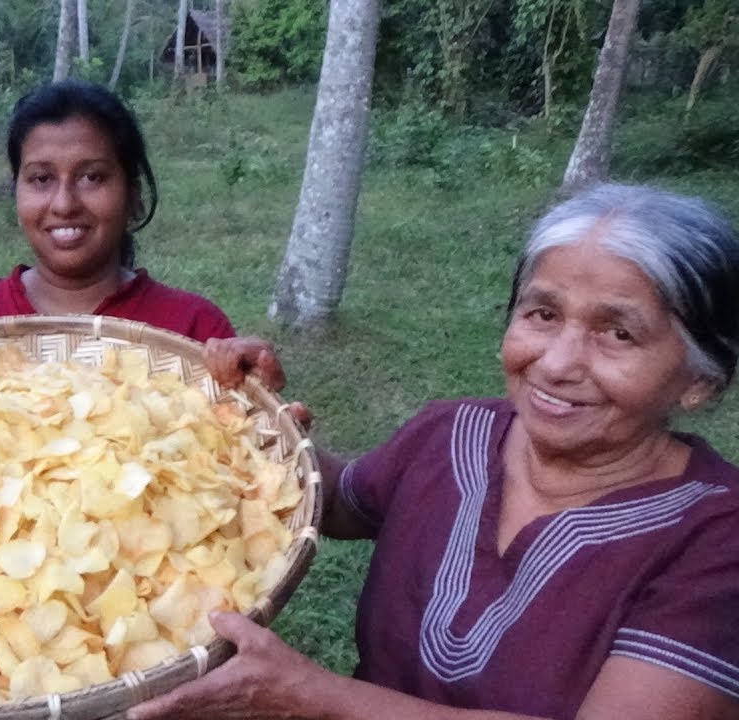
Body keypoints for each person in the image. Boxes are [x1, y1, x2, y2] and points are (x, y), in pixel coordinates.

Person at [130, 184, 739, 720]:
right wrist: (246, 424)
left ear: (699, 380)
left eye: (619, 333)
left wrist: (314, 698)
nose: (556, 363)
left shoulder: (716, 539)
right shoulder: (453, 436)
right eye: (543, 313)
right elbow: (339, 501)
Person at [0, 79, 235, 343]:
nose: (64, 204)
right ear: (17, 192)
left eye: (92, 177)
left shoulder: (194, 330)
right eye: (41, 178)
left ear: (132, 195)